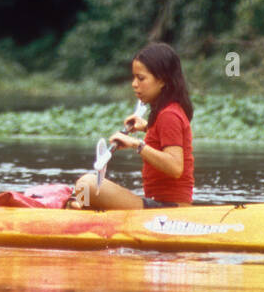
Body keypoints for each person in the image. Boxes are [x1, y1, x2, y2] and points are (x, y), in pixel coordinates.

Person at [69, 42, 194, 209]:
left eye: (141, 78)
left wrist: (136, 144)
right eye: (134, 78)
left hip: (170, 208)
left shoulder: (169, 115)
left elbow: (175, 167)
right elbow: (162, 137)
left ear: (163, 80)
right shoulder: (167, 112)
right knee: (83, 189)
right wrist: (146, 128)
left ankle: (79, 209)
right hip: (158, 204)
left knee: (86, 184)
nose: (134, 84)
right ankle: (81, 208)